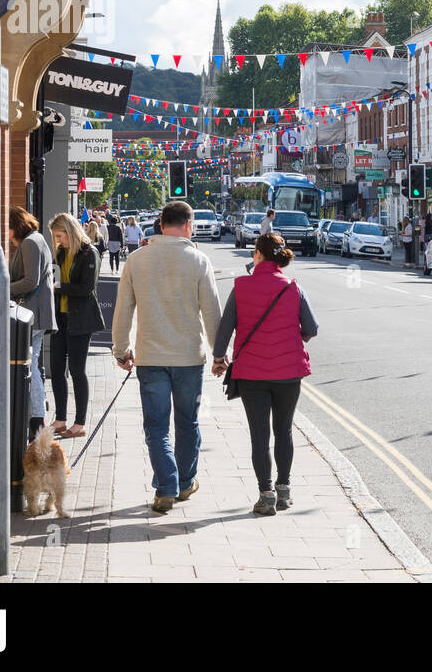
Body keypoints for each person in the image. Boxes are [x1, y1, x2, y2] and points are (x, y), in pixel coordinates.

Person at [112, 201, 222, 513]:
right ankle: (185, 483)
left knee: (156, 426)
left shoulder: (136, 260)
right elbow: (211, 313)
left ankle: (166, 486)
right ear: (189, 226)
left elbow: (123, 311)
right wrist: (219, 355)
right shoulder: (199, 261)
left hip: (151, 357)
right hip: (188, 358)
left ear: (160, 224)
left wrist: (121, 349)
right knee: (187, 423)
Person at [212, 232, 318, 515]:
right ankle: (284, 490)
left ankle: (266, 493)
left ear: (258, 254)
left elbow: (226, 327)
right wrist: (294, 336)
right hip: (288, 373)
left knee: (259, 435)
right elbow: (312, 328)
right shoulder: (293, 287)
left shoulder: (241, 286)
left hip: (252, 374)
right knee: (284, 430)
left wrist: (219, 359)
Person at [49, 213, 105, 439]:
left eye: (60, 236)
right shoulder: (61, 253)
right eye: (55, 236)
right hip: (60, 318)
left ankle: (79, 423)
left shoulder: (88, 253)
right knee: (55, 368)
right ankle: (60, 419)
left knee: (76, 370)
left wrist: (58, 288)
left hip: (81, 320)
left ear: (70, 232)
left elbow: (86, 289)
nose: (57, 241)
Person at [8, 207, 56, 442]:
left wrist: (3, 288)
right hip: (34, 312)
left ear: (13, 225)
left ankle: (37, 419)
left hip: (31, 313)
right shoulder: (34, 240)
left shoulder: (30, 243)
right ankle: (36, 416)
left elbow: (30, 280)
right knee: (31, 363)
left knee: (31, 366)